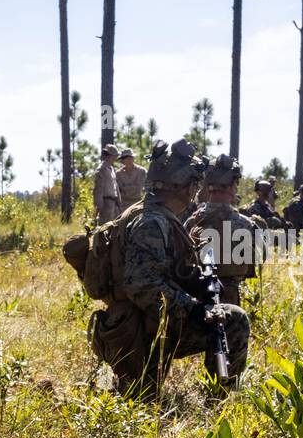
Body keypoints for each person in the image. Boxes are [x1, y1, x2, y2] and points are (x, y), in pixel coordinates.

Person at [86, 138, 250, 399]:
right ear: (184, 187)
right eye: (194, 183)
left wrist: (197, 282)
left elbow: (161, 273)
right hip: (139, 333)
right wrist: (195, 308)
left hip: (143, 324)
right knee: (235, 320)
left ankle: (213, 394)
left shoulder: (157, 216)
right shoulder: (152, 222)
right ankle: (218, 400)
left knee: (140, 399)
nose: (197, 190)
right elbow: (142, 283)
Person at [184, 155, 264, 306]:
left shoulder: (191, 223)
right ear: (232, 187)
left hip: (195, 297)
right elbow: (261, 257)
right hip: (229, 297)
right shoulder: (244, 225)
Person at [94, 144, 122, 223]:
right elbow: (99, 189)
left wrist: (119, 202)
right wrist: (99, 206)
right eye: (114, 156)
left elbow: (115, 186)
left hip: (114, 203)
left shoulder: (111, 169)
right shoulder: (101, 169)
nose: (115, 158)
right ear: (109, 155)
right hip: (105, 203)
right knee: (105, 226)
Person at [115, 147, 146, 213]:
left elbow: (139, 189)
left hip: (138, 204)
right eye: (124, 158)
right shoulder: (118, 174)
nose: (127, 160)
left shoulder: (141, 171)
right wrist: (132, 188)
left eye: (129, 157)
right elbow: (119, 190)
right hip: (123, 206)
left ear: (132, 158)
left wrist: (127, 189)